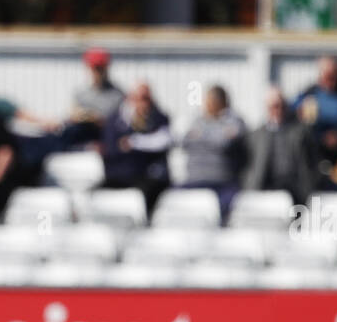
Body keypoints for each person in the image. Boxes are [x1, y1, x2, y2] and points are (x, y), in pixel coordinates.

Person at [100, 82, 172, 218]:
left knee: (150, 191)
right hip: (118, 175)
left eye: (146, 99)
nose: (143, 104)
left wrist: (133, 143)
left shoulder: (158, 119)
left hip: (145, 176)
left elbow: (161, 144)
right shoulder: (115, 120)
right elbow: (111, 150)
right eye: (139, 99)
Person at [179, 85, 247, 221]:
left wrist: (200, 137)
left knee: (222, 214)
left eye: (212, 101)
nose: (207, 105)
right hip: (194, 180)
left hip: (222, 183)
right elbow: (184, 142)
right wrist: (216, 135)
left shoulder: (235, 121)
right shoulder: (197, 120)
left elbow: (224, 144)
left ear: (222, 102)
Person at [242, 88, 319, 207]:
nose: (278, 110)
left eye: (281, 106)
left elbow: (311, 160)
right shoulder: (257, 135)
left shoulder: (300, 132)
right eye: (274, 106)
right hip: (265, 185)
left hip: (294, 186)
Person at [292, 56, 337, 177]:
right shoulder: (308, 96)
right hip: (314, 153)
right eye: (327, 74)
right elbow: (292, 120)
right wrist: (299, 114)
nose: (331, 78)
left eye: (334, 74)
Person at [62, 48, 124, 147]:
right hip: (83, 139)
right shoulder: (81, 93)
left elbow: (119, 124)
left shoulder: (117, 95)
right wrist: (77, 117)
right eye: (94, 68)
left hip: (105, 141)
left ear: (106, 68)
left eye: (100, 68)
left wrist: (97, 119)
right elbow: (71, 117)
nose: (97, 72)